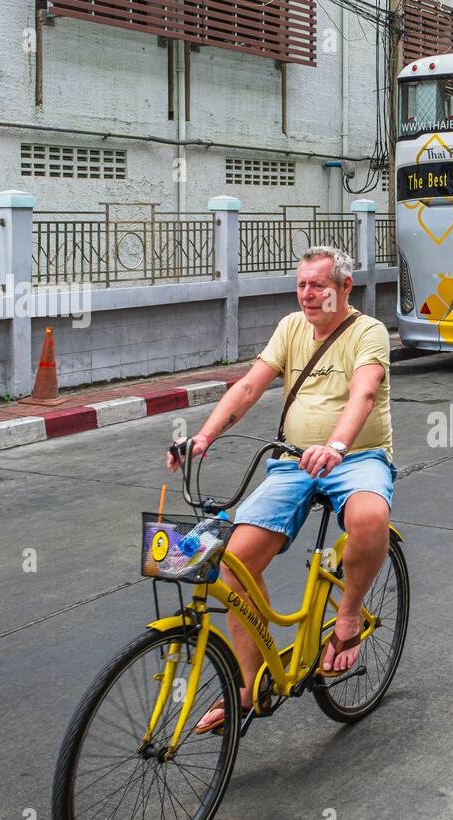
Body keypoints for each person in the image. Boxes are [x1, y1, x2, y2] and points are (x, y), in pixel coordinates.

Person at [167, 246, 396, 733]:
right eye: (302, 285)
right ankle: (253, 687)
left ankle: (349, 617)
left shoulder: (368, 332)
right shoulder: (291, 328)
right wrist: (204, 437)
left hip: (356, 457)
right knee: (234, 562)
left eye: (319, 286)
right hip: (294, 462)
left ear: (343, 288)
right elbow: (249, 388)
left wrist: (337, 444)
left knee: (369, 519)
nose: (308, 295)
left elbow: (365, 393)